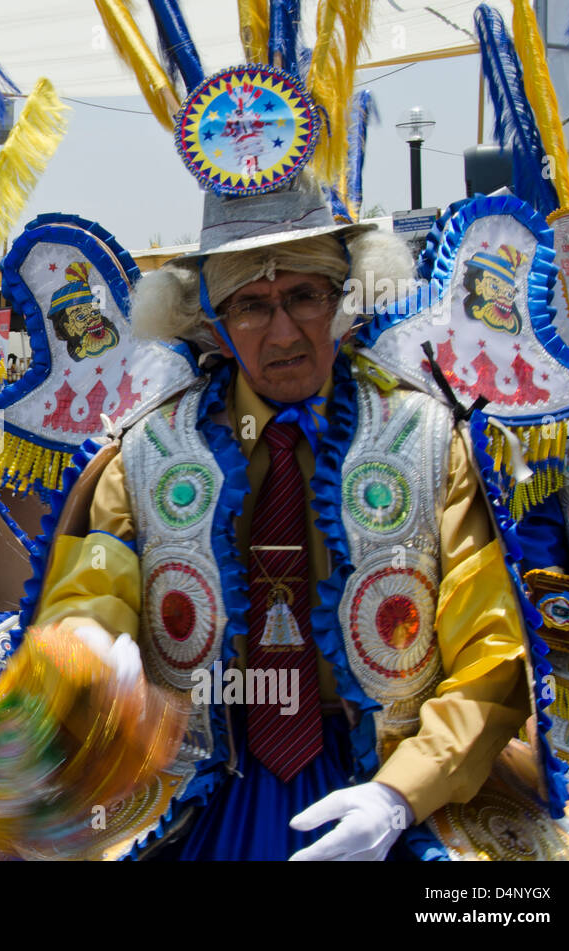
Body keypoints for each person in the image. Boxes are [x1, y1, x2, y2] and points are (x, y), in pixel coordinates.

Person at [32, 176, 531, 861]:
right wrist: (84, 648)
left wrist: (401, 794)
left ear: (347, 296)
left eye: (306, 296)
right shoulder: (146, 451)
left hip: (391, 780)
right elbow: (93, 588)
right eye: (252, 306)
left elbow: (493, 649)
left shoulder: (429, 441)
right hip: (205, 781)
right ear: (210, 318)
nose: (285, 331)